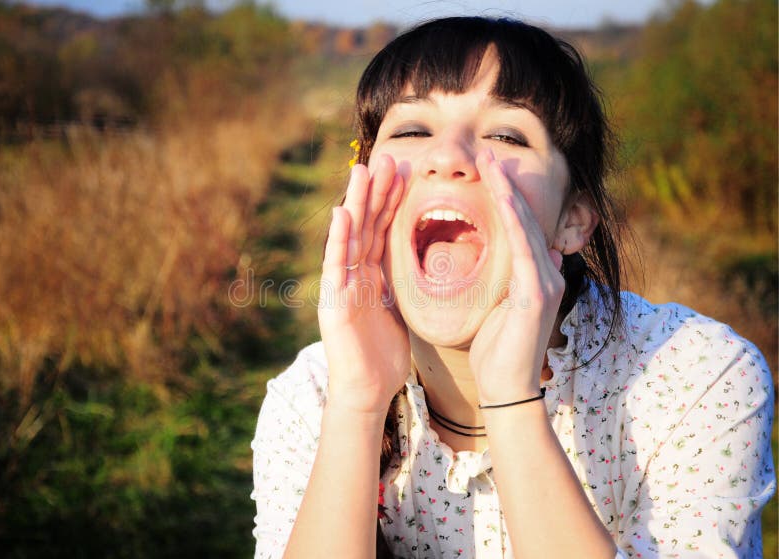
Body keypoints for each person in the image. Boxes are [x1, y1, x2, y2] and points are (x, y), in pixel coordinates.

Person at [251, 17, 775, 558]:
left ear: (574, 218)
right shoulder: (312, 400)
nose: (448, 157)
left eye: (505, 135)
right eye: (412, 130)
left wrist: (512, 400)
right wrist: (358, 407)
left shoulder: (694, 378)